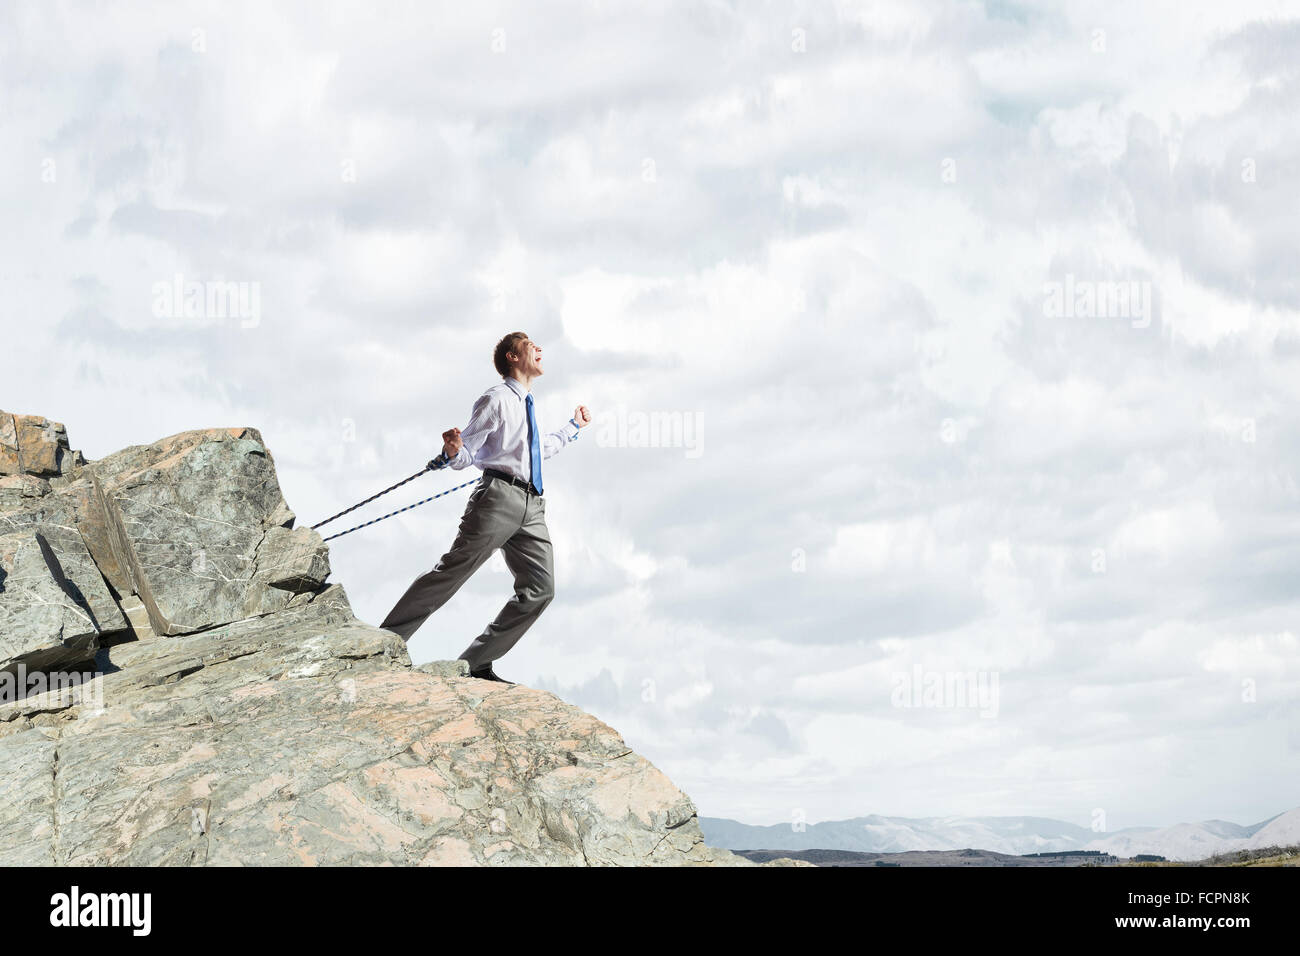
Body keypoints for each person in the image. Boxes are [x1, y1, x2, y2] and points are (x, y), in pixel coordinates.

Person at [380, 332, 591, 684]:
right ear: (512, 356)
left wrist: (573, 428)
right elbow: (468, 455)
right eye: (531, 345)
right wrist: (451, 451)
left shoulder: (527, 403)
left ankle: (475, 664)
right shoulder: (496, 399)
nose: (539, 349)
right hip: (498, 499)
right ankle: (385, 642)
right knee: (452, 573)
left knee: (542, 589)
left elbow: (537, 454)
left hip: (533, 506)